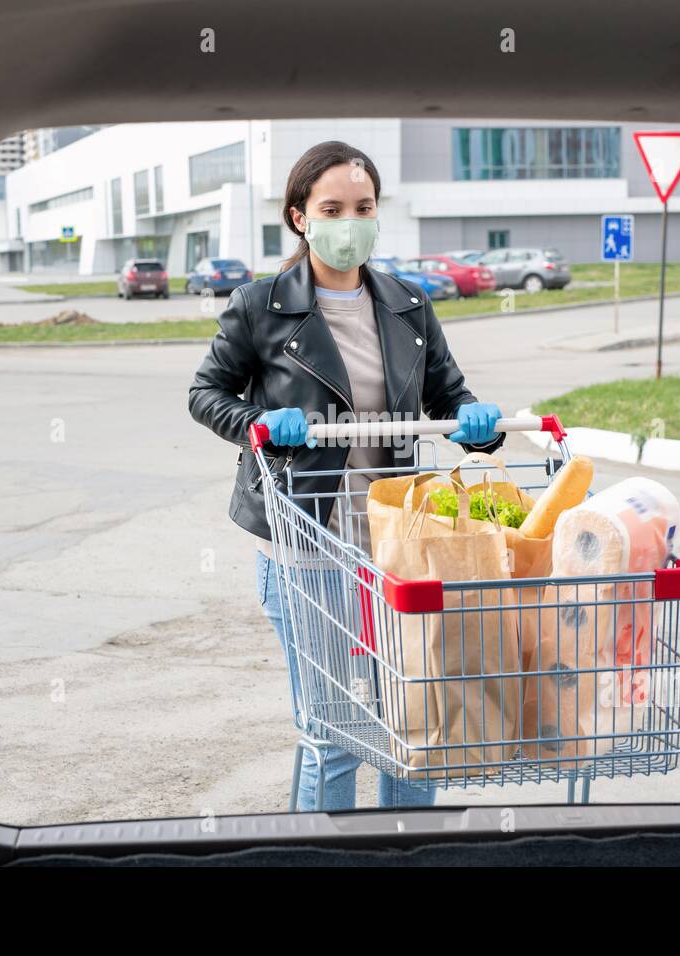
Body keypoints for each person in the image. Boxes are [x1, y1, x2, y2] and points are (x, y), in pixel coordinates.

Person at [188, 140, 504, 810]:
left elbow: (450, 395)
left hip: (396, 546)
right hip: (306, 543)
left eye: (363, 207)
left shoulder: (408, 306)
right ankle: (320, 853)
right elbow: (206, 392)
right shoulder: (259, 305)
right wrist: (261, 426)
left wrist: (476, 420)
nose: (349, 221)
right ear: (301, 216)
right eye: (332, 208)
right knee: (332, 733)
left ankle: (410, 856)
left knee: (415, 724)